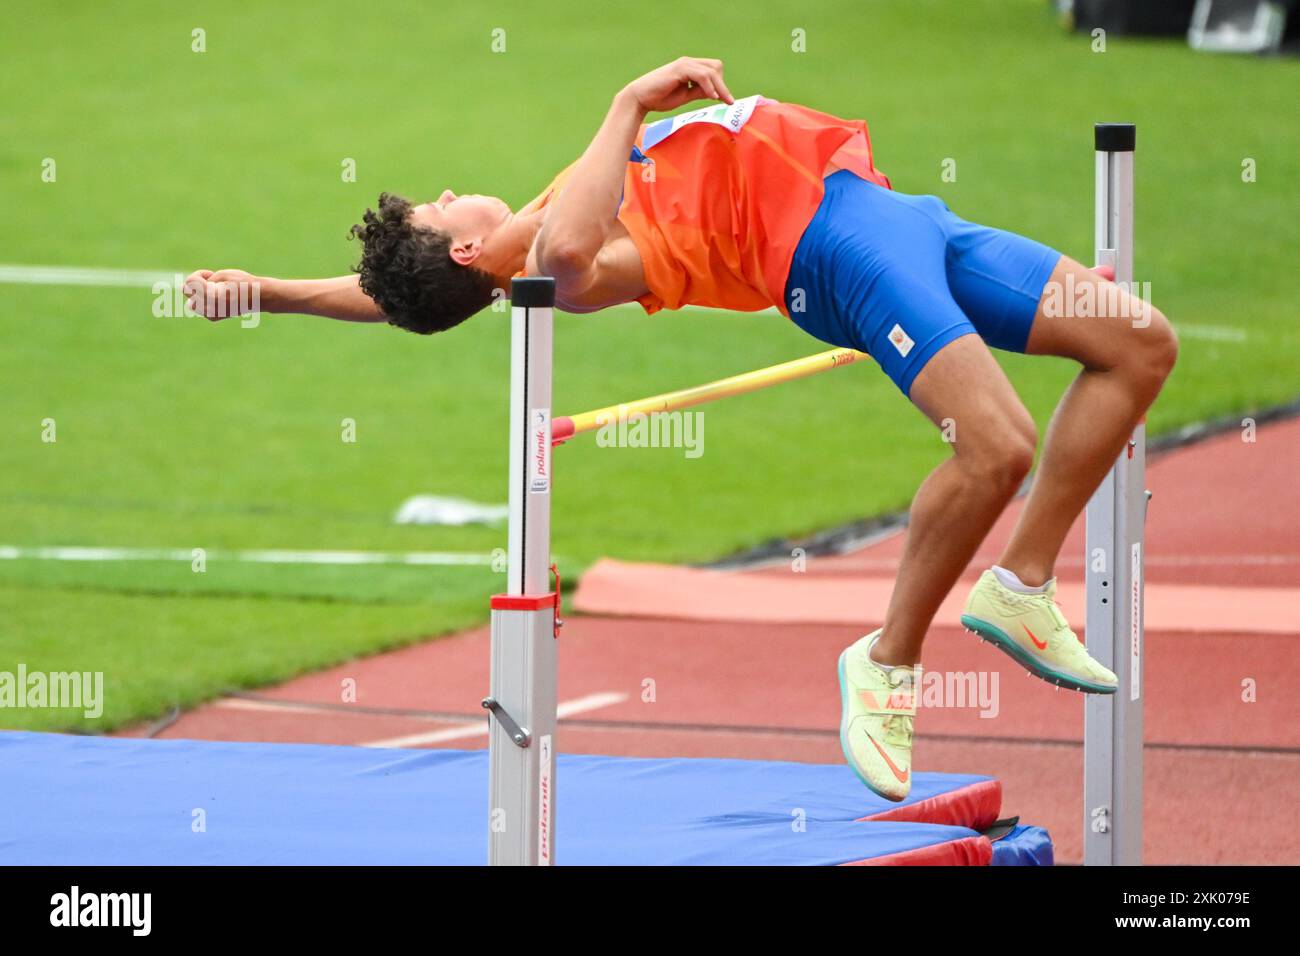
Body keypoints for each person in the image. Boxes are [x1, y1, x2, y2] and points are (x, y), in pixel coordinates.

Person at [186, 57, 1177, 802]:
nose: (449, 188)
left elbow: (404, 291)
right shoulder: (566, 263)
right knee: (995, 442)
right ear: (469, 245)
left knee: (1137, 343)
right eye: (441, 206)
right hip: (830, 250)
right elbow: (564, 245)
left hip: (889, 212)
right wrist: (629, 98)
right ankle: (888, 658)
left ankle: (1023, 581)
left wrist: (268, 291)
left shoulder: (529, 221)